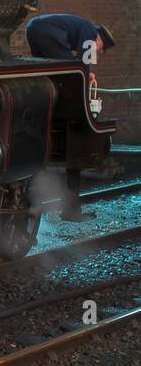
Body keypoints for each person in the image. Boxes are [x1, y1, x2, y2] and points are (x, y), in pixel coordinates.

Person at [24, 12, 115, 222]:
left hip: (34, 30)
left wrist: (83, 72)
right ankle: (70, 104)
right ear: (99, 39)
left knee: (52, 67)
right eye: (100, 48)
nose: (98, 51)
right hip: (49, 33)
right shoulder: (89, 32)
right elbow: (84, 61)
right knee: (72, 68)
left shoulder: (78, 27)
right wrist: (86, 76)